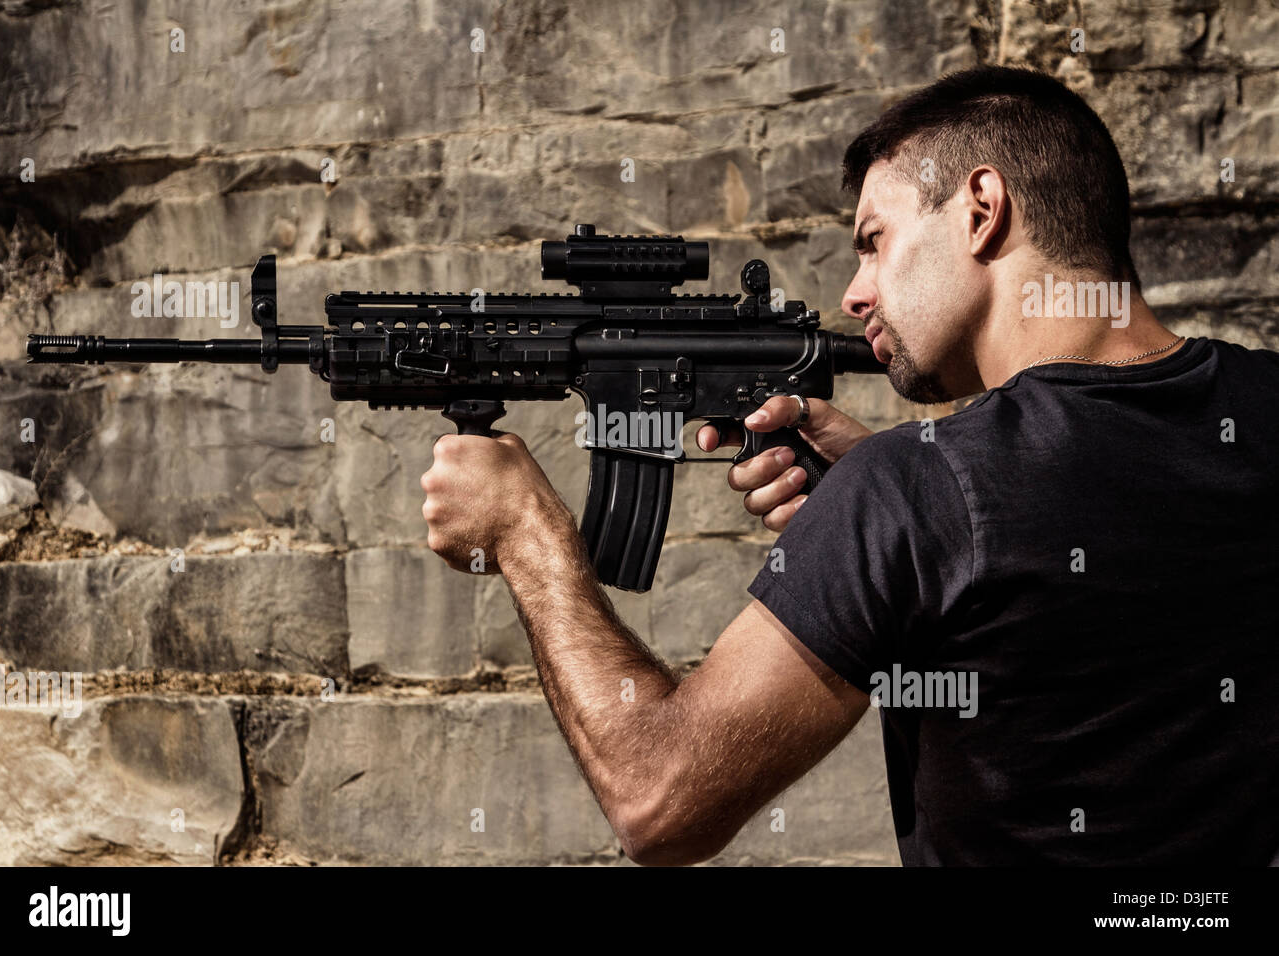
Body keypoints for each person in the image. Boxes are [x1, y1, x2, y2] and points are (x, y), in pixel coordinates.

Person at [420, 65, 1279, 865]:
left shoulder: (915, 490)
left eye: (874, 241)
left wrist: (528, 536)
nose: (855, 293)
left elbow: (658, 798)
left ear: (982, 208)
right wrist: (907, 532)